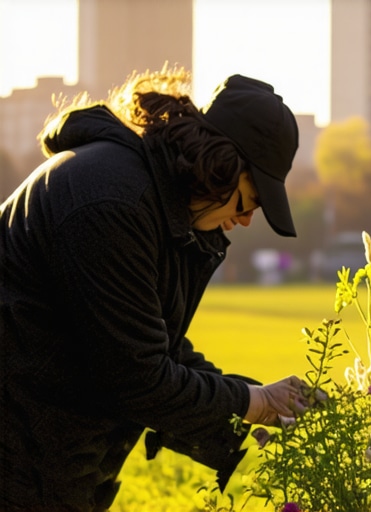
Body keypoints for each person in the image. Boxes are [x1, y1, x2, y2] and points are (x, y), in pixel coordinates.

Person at [0, 67, 316, 511]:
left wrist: (263, 403)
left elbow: (155, 347)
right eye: (250, 200)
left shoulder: (150, 201)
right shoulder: (111, 202)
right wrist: (254, 402)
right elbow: (137, 377)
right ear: (220, 164)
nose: (246, 220)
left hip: (47, 452)